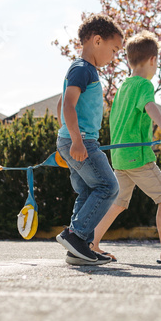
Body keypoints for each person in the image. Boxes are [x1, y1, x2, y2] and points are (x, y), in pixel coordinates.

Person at [89, 31, 161, 265]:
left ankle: (91, 243)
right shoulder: (144, 85)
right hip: (137, 157)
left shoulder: (123, 87)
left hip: (118, 157)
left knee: (118, 203)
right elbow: (150, 106)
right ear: (153, 60)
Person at [54, 14, 124, 266]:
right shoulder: (83, 69)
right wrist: (76, 140)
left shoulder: (82, 70)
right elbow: (69, 106)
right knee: (108, 186)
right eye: (114, 49)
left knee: (88, 190)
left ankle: (78, 249)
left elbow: (62, 103)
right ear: (97, 41)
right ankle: (75, 236)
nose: (114, 56)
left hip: (75, 140)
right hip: (81, 142)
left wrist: (66, 138)